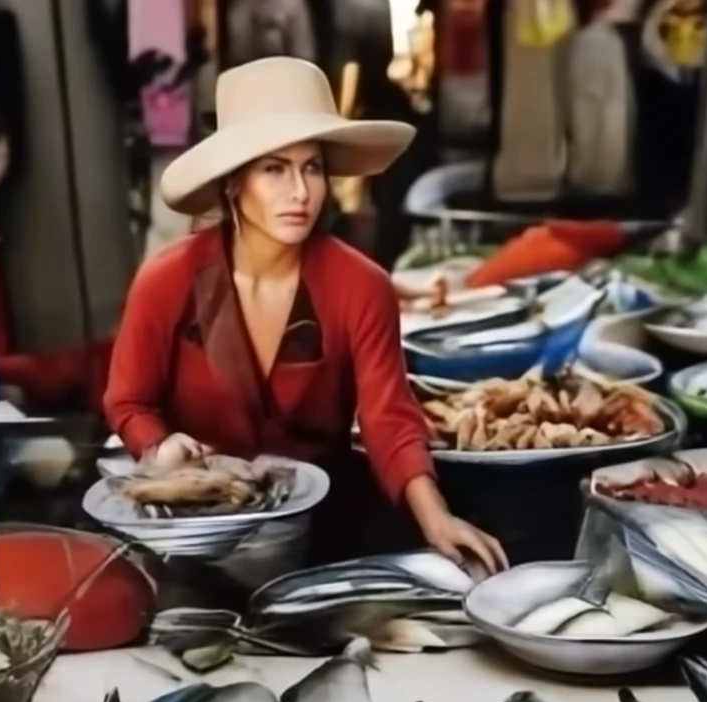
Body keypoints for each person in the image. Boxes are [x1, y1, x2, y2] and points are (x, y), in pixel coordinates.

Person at [103, 56, 507, 572]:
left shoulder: (361, 286)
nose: (300, 192)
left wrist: (436, 518)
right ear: (234, 183)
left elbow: (389, 418)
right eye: (274, 169)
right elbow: (129, 399)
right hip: (193, 539)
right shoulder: (167, 280)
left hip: (326, 538)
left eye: (311, 167)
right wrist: (158, 447)